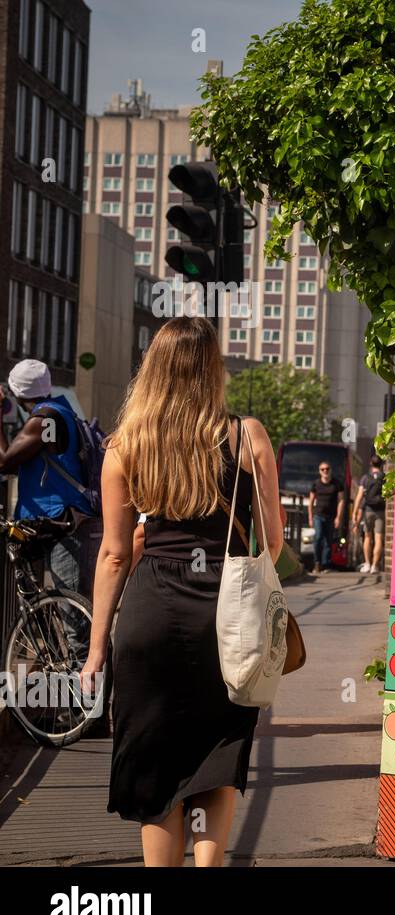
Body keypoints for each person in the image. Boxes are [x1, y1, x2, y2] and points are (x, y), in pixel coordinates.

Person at [80, 316, 283, 867]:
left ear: (154, 371)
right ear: (212, 371)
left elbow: (115, 554)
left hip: (150, 616)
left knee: (156, 768)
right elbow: (275, 542)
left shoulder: (125, 445)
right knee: (216, 762)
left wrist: (97, 649)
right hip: (226, 623)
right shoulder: (247, 435)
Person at [0, 359, 93, 656]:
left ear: (18, 392)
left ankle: (87, 694)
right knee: (40, 607)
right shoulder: (60, 411)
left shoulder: (45, 420)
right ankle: (54, 675)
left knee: (74, 620)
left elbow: (4, 462)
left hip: (63, 524)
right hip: (46, 525)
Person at [307, 460, 344, 573]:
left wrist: (338, 517)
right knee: (318, 538)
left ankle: (326, 565)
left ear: (330, 470)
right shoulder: (316, 484)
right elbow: (311, 501)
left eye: (327, 469)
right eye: (323, 469)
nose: (325, 471)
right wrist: (310, 517)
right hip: (318, 515)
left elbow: (341, 501)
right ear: (319, 471)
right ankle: (317, 563)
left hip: (331, 517)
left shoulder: (337, 484)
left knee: (328, 541)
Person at [351, 455, 385, 574]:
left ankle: (367, 563)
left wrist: (355, 512)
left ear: (371, 464)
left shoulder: (366, 478)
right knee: (379, 538)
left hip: (368, 511)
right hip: (381, 511)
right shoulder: (384, 477)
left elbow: (359, 496)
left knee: (367, 537)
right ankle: (375, 566)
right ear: (381, 465)